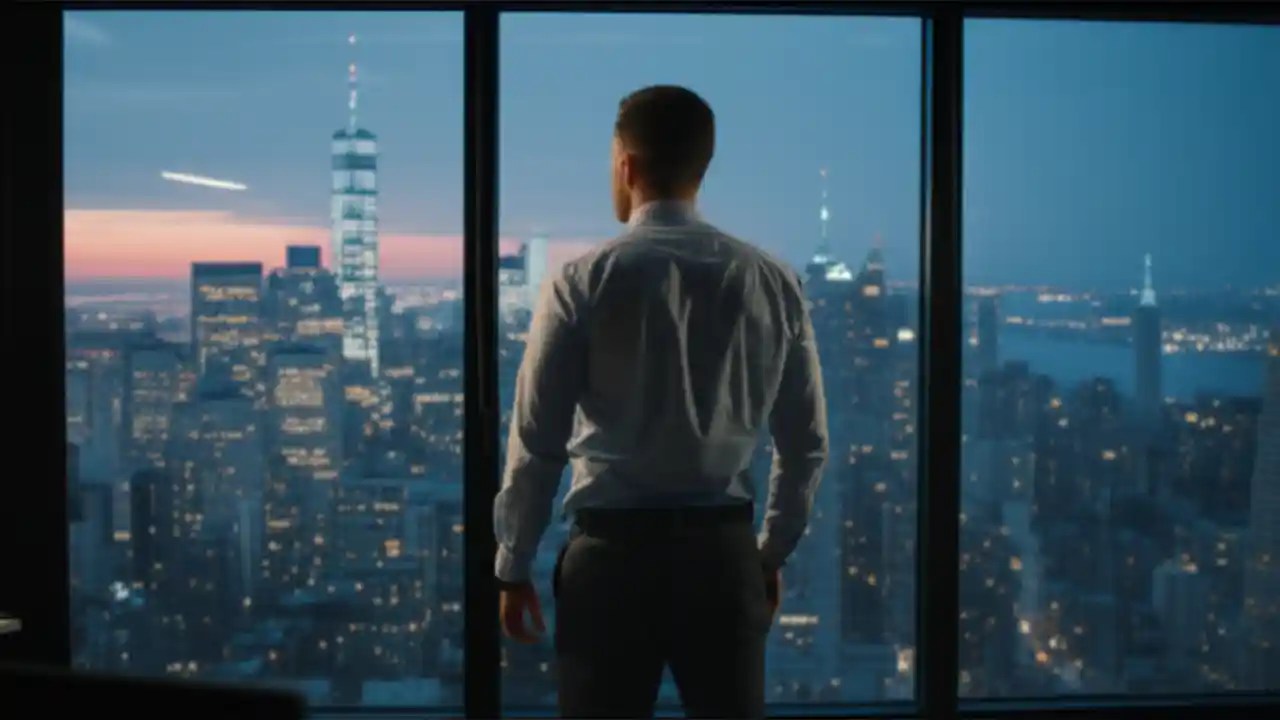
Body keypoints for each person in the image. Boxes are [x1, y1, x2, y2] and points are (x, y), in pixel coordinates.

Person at [493, 85, 829, 719]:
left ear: (625, 163)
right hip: (722, 556)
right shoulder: (772, 280)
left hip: (610, 564)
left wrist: (512, 566)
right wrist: (770, 551)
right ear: (702, 167)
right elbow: (805, 443)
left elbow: (535, 444)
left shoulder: (580, 282)